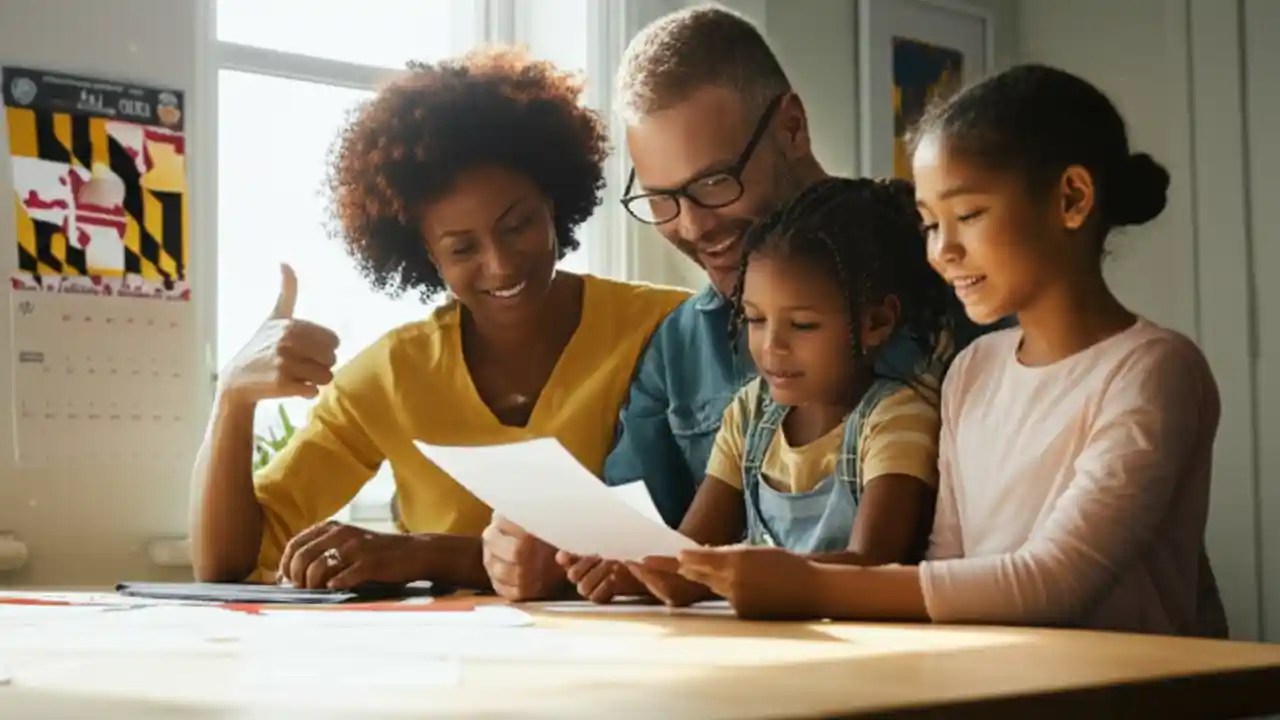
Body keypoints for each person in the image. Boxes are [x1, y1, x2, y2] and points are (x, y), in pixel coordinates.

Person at [659, 64, 1229, 637]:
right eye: (931, 224)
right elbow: (945, 565)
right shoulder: (972, 370)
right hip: (995, 683)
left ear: (1072, 199)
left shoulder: (1153, 368)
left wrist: (809, 584)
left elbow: (1056, 582)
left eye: (969, 215)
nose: (943, 250)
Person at [482, 3, 992, 602]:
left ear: (792, 127)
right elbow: (648, 546)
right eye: (662, 199)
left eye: (714, 183)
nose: (694, 226)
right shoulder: (678, 350)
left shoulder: (962, 289)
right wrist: (558, 556)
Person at [189, 48, 689, 589]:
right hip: (449, 667)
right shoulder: (391, 376)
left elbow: (712, 541)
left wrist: (428, 555)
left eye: (518, 224)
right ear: (426, 254)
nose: (500, 264)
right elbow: (224, 567)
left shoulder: (665, 326)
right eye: (462, 248)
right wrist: (233, 398)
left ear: (553, 203)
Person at [560, 178, 951, 606]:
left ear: (876, 322)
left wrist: (749, 575)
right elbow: (691, 554)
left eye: (802, 325)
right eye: (754, 319)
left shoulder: (896, 418)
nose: (771, 347)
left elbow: (875, 567)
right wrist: (636, 570)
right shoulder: (749, 412)